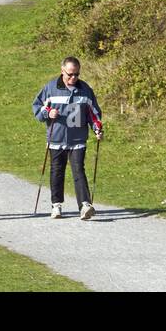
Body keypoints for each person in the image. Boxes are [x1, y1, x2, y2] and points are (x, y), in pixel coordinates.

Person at [32, 56, 103, 220]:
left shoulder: (85, 89)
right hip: (56, 138)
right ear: (62, 71)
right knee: (57, 171)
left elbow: (93, 113)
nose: (73, 78)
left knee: (78, 170)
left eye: (76, 74)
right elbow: (37, 106)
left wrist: (97, 127)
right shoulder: (50, 88)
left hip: (77, 139)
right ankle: (56, 205)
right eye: (70, 74)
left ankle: (85, 205)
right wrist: (48, 113)